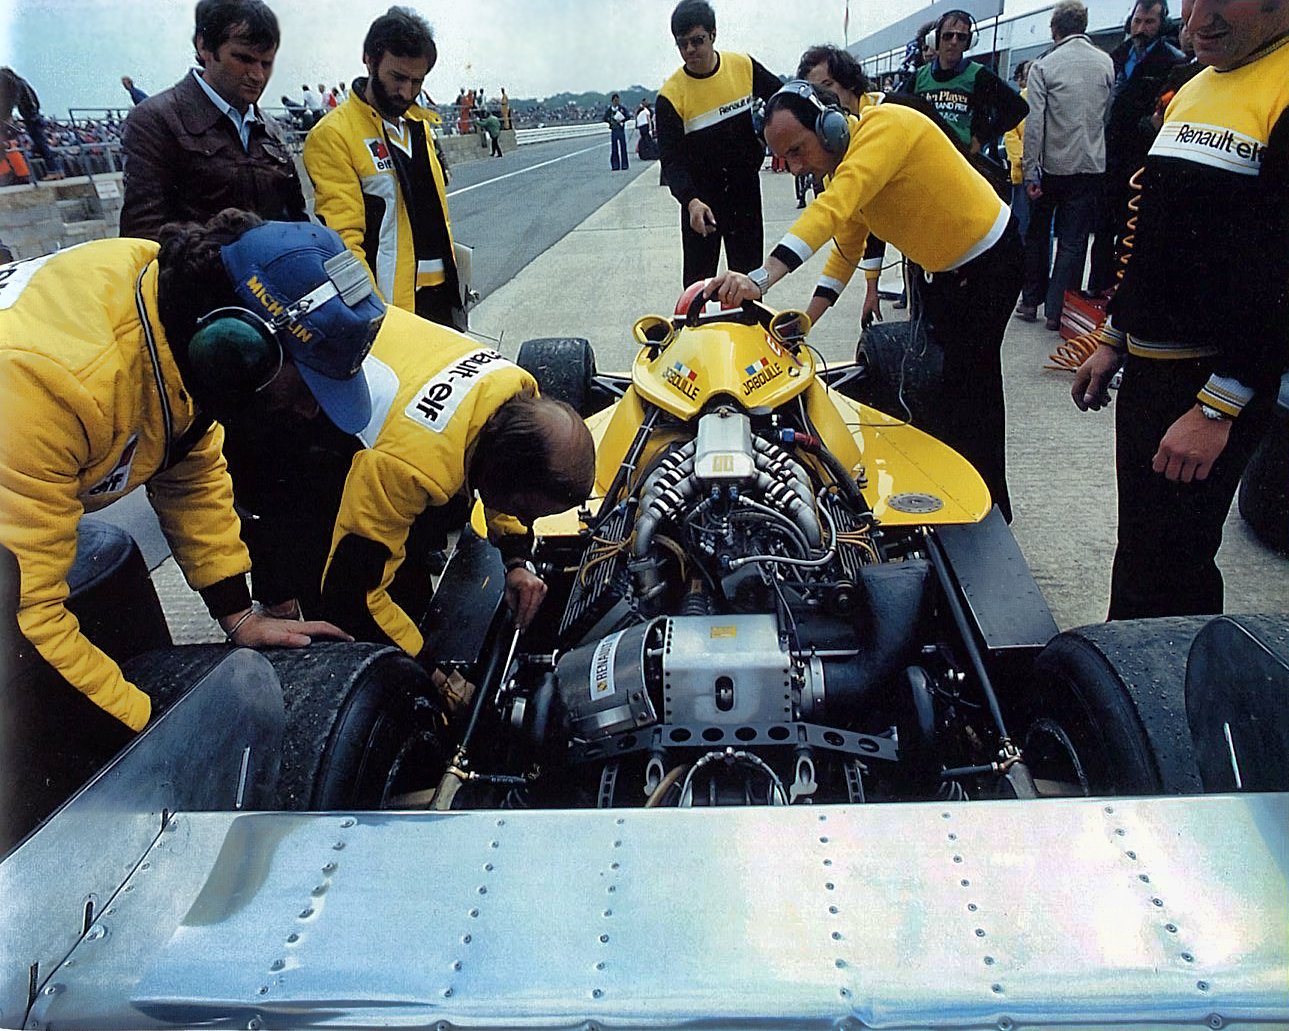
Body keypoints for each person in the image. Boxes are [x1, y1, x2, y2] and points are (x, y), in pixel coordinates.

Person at [0, 211, 384, 734]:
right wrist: (157, 741)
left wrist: (238, 613)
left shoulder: (174, 322)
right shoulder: (47, 385)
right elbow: (22, 625)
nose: (309, 413)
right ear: (238, 348)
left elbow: (185, 459)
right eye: (305, 389)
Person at [703, 80, 1022, 522]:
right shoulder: (843, 171)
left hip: (990, 262)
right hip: (944, 274)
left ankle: (991, 509)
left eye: (797, 151)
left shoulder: (884, 129)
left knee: (972, 388)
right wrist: (802, 325)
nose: (795, 168)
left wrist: (762, 278)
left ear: (830, 127)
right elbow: (845, 249)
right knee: (946, 386)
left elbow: (830, 209)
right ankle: (964, 494)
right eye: (785, 159)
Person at [1071, 0, 1289, 619]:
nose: (1199, 18)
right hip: (1149, 371)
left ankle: (1173, 699)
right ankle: (1122, 677)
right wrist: (1114, 335)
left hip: (1211, 385)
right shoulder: (1196, 84)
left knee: (1177, 560)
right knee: (1139, 549)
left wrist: (1219, 407)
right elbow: (1154, 234)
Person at [316, 321, 598, 651]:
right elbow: (352, 598)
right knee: (335, 595)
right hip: (298, 415)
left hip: (363, 349)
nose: (525, 521)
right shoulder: (411, 467)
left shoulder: (511, 393)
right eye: (524, 512)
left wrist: (517, 560)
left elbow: (503, 455)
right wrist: (430, 674)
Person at [304, 5, 464, 329]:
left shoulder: (421, 126)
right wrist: (372, 316)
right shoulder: (333, 135)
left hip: (441, 303)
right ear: (369, 60)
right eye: (398, 78)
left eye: (417, 81)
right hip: (390, 314)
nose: (407, 92)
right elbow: (343, 242)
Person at [119, 0, 306, 241]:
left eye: (266, 63)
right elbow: (144, 238)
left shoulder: (270, 128)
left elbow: (299, 223)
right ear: (204, 47)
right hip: (200, 276)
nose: (258, 75)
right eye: (244, 59)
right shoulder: (153, 121)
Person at [655, 0, 782, 286]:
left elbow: (783, 100)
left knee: (749, 281)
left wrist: (768, 138)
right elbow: (671, 161)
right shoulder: (670, 97)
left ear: (713, 34)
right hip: (702, 203)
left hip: (744, 192)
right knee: (698, 289)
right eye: (682, 44)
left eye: (697, 41)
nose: (689, 50)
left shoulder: (743, 66)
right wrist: (690, 201)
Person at [1014, 1, 1114, 331]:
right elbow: (1105, 115)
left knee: (1038, 236)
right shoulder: (1105, 63)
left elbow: (1035, 124)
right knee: (1073, 242)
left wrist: (1031, 170)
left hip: (1053, 165)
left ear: (1055, 30)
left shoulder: (1045, 66)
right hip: (1090, 165)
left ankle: (1031, 302)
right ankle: (1059, 312)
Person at [1085, 0, 1186, 295]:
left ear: (1161, 25)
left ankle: (1120, 289)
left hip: (1142, 155)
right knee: (1103, 223)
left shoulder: (1172, 62)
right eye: (1138, 22)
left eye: (1149, 23)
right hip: (1109, 152)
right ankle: (1098, 284)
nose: (1141, 29)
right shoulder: (1116, 56)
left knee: (1131, 225)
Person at [904, 10, 1028, 155]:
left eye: (961, 37)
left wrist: (981, 138)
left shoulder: (980, 76)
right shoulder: (919, 77)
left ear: (969, 42)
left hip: (961, 160)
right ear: (936, 40)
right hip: (923, 155)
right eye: (948, 36)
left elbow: (1018, 108)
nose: (954, 41)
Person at [0, 67, 62, 179]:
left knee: (42, 146)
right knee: (41, 146)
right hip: (34, 115)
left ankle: (54, 170)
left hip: (31, 117)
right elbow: (34, 101)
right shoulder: (23, 83)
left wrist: (7, 114)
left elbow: (12, 101)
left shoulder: (15, 85)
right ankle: (57, 170)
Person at [1002, 61, 1030, 238]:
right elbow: (1010, 134)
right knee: (1022, 219)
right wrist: (1021, 159)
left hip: (1041, 170)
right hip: (1023, 172)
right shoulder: (1020, 101)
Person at [605, 92, 630, 171]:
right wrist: (610, 121)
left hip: (621, 129)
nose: (617, 102)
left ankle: (624, 165)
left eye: (618, 101)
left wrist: (622, 120)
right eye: (615, 101)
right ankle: (615, 165)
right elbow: (605, 118)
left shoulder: (622, 109)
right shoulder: (610, 110)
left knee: (623, 147)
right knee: (614, 148)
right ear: (612, 101)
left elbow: (628, 116)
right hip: (614, 130)